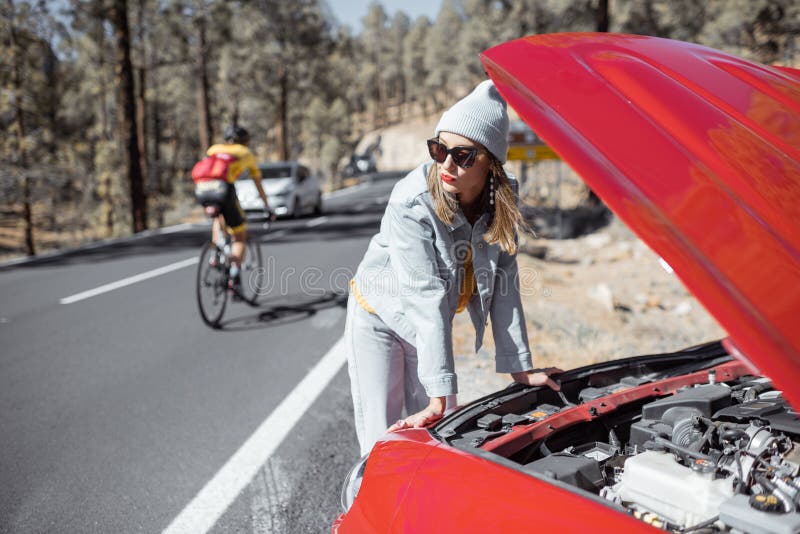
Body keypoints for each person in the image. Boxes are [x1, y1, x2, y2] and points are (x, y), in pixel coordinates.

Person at [345, 80, 562, 456]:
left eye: (462, 156)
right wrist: (440, 395)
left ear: (490, 161)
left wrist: (520, 368)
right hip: (379, 316)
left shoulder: (502, 197)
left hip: (427, 324)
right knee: (384, 439)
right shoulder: (412, 201)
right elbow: (424, 294)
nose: (446, 164)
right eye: (438, 149)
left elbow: (505, 282)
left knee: (438, 439)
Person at [205, 125, 272, 290]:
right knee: (239, 235)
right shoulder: (245, 153)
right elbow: (257, 182)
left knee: (218, 217)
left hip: (203, 190)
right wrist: (266, 205)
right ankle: (234, 273)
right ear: (245, 141)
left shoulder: (214, 149)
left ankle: (214, 253)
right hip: (224, 190)